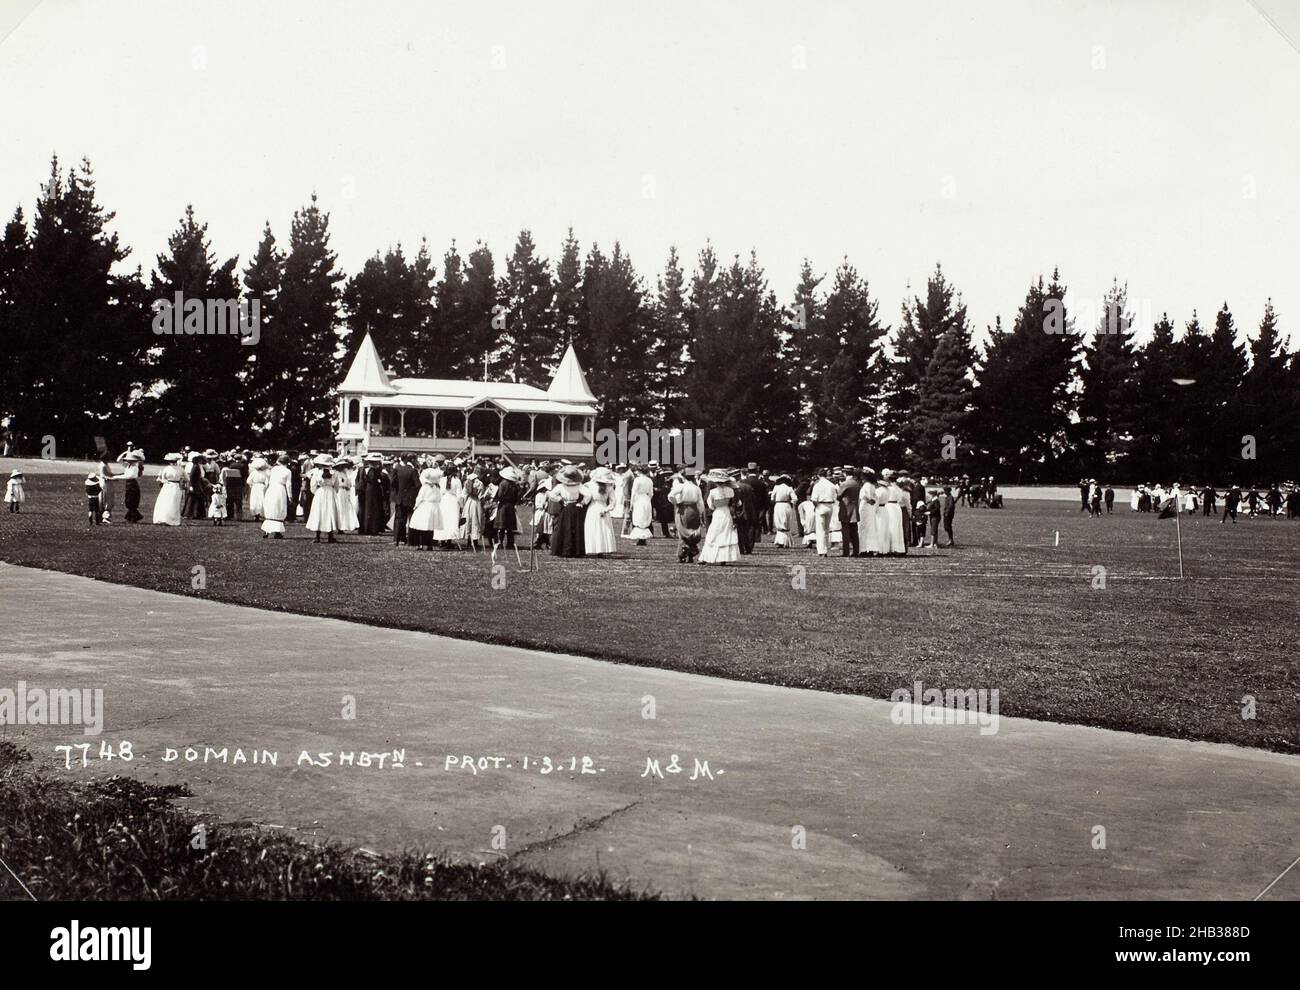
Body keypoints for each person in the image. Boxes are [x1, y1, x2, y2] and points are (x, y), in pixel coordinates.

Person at [699, 469, 740, 565]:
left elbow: (710, 505)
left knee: (713, 534)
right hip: (727, 513)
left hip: (718, 513)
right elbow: (733, 503)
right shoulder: (730, 490)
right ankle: (723, 558)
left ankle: (706, 557)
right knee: (725, 534)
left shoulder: (713, 492)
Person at [548, 465, 587, 557]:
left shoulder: (560, 486)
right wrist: (582, 503)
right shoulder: (579, 486)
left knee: (565, 528)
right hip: (575, 507)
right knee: (576, 528)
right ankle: (576, 550)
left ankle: (563, 550)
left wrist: (560, 499)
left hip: (566, 507)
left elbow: (552, 495)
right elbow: (588, 494)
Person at [670, 468, 707, 562]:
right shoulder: (696, 488)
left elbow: (670, 496)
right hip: (694, 510)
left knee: (682, 532)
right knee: (692, 532)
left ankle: (681, 554)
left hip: (683, 509)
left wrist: (677, 502)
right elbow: (701, 504)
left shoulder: (682, 486)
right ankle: (690, 554)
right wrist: (699, 513)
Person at [583, 466, 618, 557]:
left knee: (595, 529)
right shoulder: (607, 487)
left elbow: (586, 498)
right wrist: (606, 509)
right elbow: (613, 503)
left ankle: (595, 549)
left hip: (593, 508)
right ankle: (599, 550)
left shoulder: (591, 485)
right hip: (600, 508)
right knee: (601, 529)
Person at [306, 454, 341, 544]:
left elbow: (312, 486)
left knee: (319, 512)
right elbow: (337, 487)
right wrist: (333, 491)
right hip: (330, 492)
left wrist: (316, 492)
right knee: (330, 512)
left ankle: (317, 536)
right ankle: (330, 536)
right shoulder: (335, 473)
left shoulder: (316, 473)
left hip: (320, 492)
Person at [493, 465, 524, 560]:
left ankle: (500, 542)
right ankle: (510, 543)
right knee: (510, 526)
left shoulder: (503, 484)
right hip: (510, 505)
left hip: (503, 505)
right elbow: (517, 497)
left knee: (502, 526)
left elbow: (500, 495)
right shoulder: (514, 485)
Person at [407, 467, 443, 550]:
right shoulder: (437, 487)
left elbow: (420, 497)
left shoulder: (425, 487)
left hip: (425, 507)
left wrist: (416, 505)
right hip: (434, 507)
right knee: (430, 528)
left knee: (422, 527)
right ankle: (429, 544)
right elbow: (439, 498)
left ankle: (421, 544)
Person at [261, 454, 293, 539]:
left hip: (271, 488)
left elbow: (268, 480)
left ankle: (267, 531)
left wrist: (266, 489)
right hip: (280, 489)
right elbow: (288, 484)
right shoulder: (288, 471)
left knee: (271, 507)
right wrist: (290, 496)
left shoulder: (274, 469)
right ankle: (277, 532)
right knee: (279, 508)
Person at [391, 453, 419, 546]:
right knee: (411, 519)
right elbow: (417, 485)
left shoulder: (398, 469)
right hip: (410, 498)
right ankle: (411, 540)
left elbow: (393, 482)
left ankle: (398, 539)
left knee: (400, 519)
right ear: (412, 460)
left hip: (400, 497)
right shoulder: (413, 471)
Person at [877, 469, 907, 555]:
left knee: (890, 527)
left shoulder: (889, 489)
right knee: (897, 527)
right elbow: (900, 499)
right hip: (897, 507)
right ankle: (898, 548)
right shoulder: (899, 489)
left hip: (889, 506)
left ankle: (890, 548)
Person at [809, 469, 838, 557]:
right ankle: (825, 548)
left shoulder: (817, 485)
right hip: (829, 506)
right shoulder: (832, 485)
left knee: (820, 529)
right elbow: (834, 498)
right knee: (826, 529)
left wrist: (816, 507)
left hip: (820, 505)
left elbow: (814, 499)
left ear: (818, 475)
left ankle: (821, 550)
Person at [626, 464, 655, 546]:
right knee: (645, 517)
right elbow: (651, 493)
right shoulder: (649, 480)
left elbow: (633, 492)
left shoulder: (637, 480)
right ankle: (642, 538)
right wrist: (648, 499)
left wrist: (632, 503)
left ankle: (641, 539)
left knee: (639, 517)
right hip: (646, 499)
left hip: (639, 499)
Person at [153, 453, 184, 526]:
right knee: (174, 503)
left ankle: (163, 518)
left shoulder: (166, 469)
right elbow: (187, 478)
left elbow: (163, 480)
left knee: (165, 502)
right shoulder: (181, 469)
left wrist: (161, 479)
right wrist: (180, 480)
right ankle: (173, 519)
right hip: (176, 486)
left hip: (167, 486)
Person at [837, 466, 861, 557]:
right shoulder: (857, 483)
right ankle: (856, 551)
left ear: (845, 473)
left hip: (846, 509)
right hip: (855, 508)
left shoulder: (844, 484)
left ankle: (846, 551)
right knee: (854, 532)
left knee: (845, 532)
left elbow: (838, 497)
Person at [770, 474, 796, 548]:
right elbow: (795, 499)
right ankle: (786, 541)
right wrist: (791, 503)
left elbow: (772, 498)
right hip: (786, 505)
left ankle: (780, 541)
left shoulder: (776, 487)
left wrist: (774, 501)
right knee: (786, 522)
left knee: (779, 522)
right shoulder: (789, 488)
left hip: (778, 505)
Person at [119, 452, 144, 522]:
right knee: (129, 500)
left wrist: (116, 477)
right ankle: (132, 517)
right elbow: (118, 460)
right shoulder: (128, 466)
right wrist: (124, 452)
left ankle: (134, 517)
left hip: (132, 483)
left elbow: (129, 476)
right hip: (128, 483)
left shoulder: (134, 467)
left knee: (131, 500)